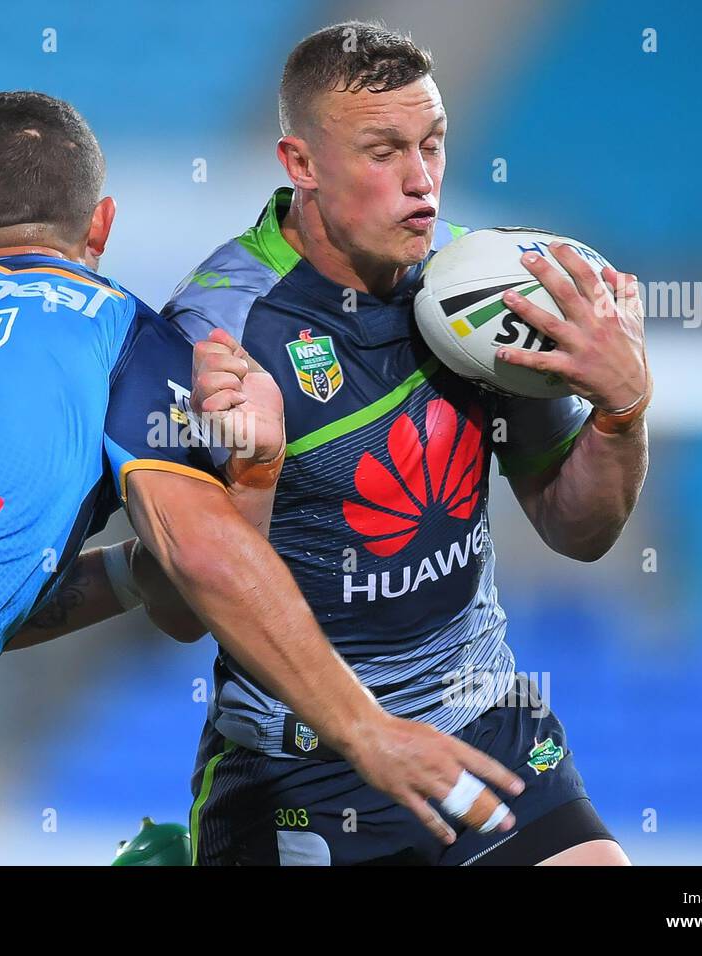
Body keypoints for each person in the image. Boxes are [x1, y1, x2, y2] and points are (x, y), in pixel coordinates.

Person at [0, 90, 521, 866]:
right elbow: (204, 560)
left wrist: (130, 573)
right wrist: (367, 731)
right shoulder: (121, 336)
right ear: (101, 228)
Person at [162, 21, 650, 865]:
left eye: (434, 145)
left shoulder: (484, 285)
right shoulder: (221, 332)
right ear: (301, 164)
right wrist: (251, 475)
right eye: (384, 152)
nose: (421, 182)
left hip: (483, 717)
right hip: (301, 766)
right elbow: (175, 610)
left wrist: (621, 410)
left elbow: (580, 530)